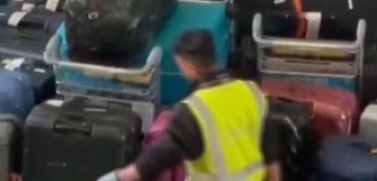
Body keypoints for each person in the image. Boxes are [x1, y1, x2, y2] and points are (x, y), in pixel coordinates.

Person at [100, 31, 283, 181]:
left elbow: (157, 159)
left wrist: (118, 177)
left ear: (188, 64)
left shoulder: (195, 110)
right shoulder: (250, 91)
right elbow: (272, 155)